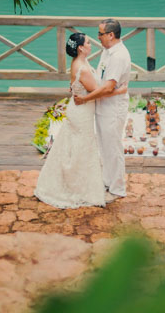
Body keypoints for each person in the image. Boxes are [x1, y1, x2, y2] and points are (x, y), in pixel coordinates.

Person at [34, 33, 110, 208]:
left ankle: (70, 183)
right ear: (81, 48)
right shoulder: (82, 67)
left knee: (73, 149)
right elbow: (96, 91)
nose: (92, 44)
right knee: (81, 151)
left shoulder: (79, 62)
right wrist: (118, 90)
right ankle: (77, 188)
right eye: (89, 43)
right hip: (81, 112)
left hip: (78, 110)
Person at [74, 18, 131, 202]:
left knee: (113, 148)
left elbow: (107, 88)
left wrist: (84, 99)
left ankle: (117, 189)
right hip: (103, 106)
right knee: (105, 147)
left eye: (100, 33)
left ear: (111, 35)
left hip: (112, 109)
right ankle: (107, 182)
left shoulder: (119, 56)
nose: (97, 37)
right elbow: (100, 79)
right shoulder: (107, 51)